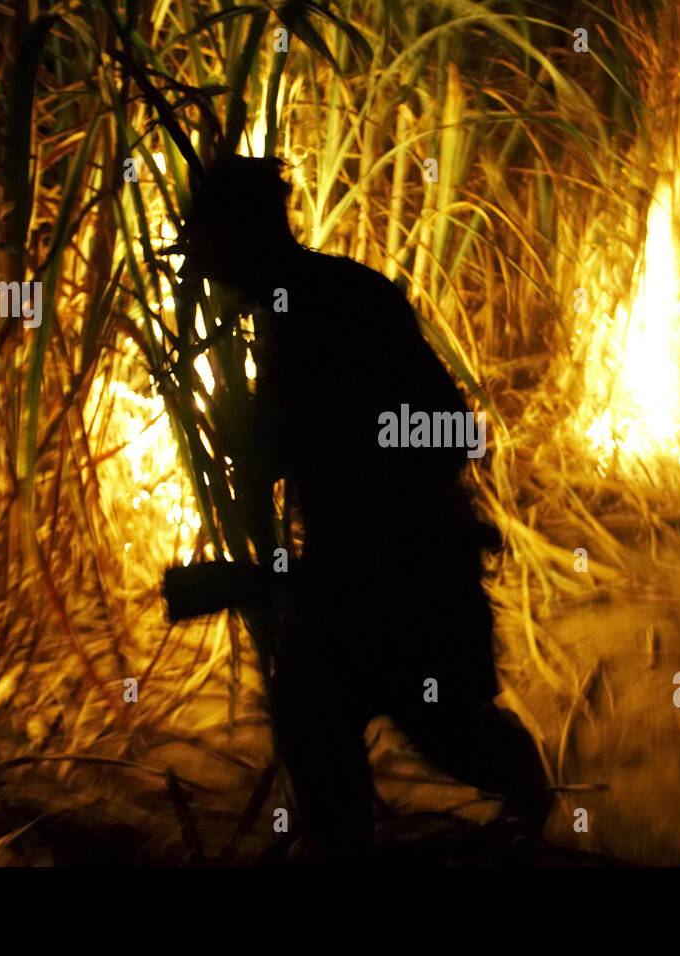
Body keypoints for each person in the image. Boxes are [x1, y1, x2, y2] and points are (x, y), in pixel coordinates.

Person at [178, 153, 552, 861]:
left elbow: (451, 430)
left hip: (409, 576)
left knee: (445, 726)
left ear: (246, 234)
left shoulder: (344, 301)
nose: (199, 263)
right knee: (316, 722)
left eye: (207, 243)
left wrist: (305, 448)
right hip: (351, 579)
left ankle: (526, 813)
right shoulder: (286, 315)